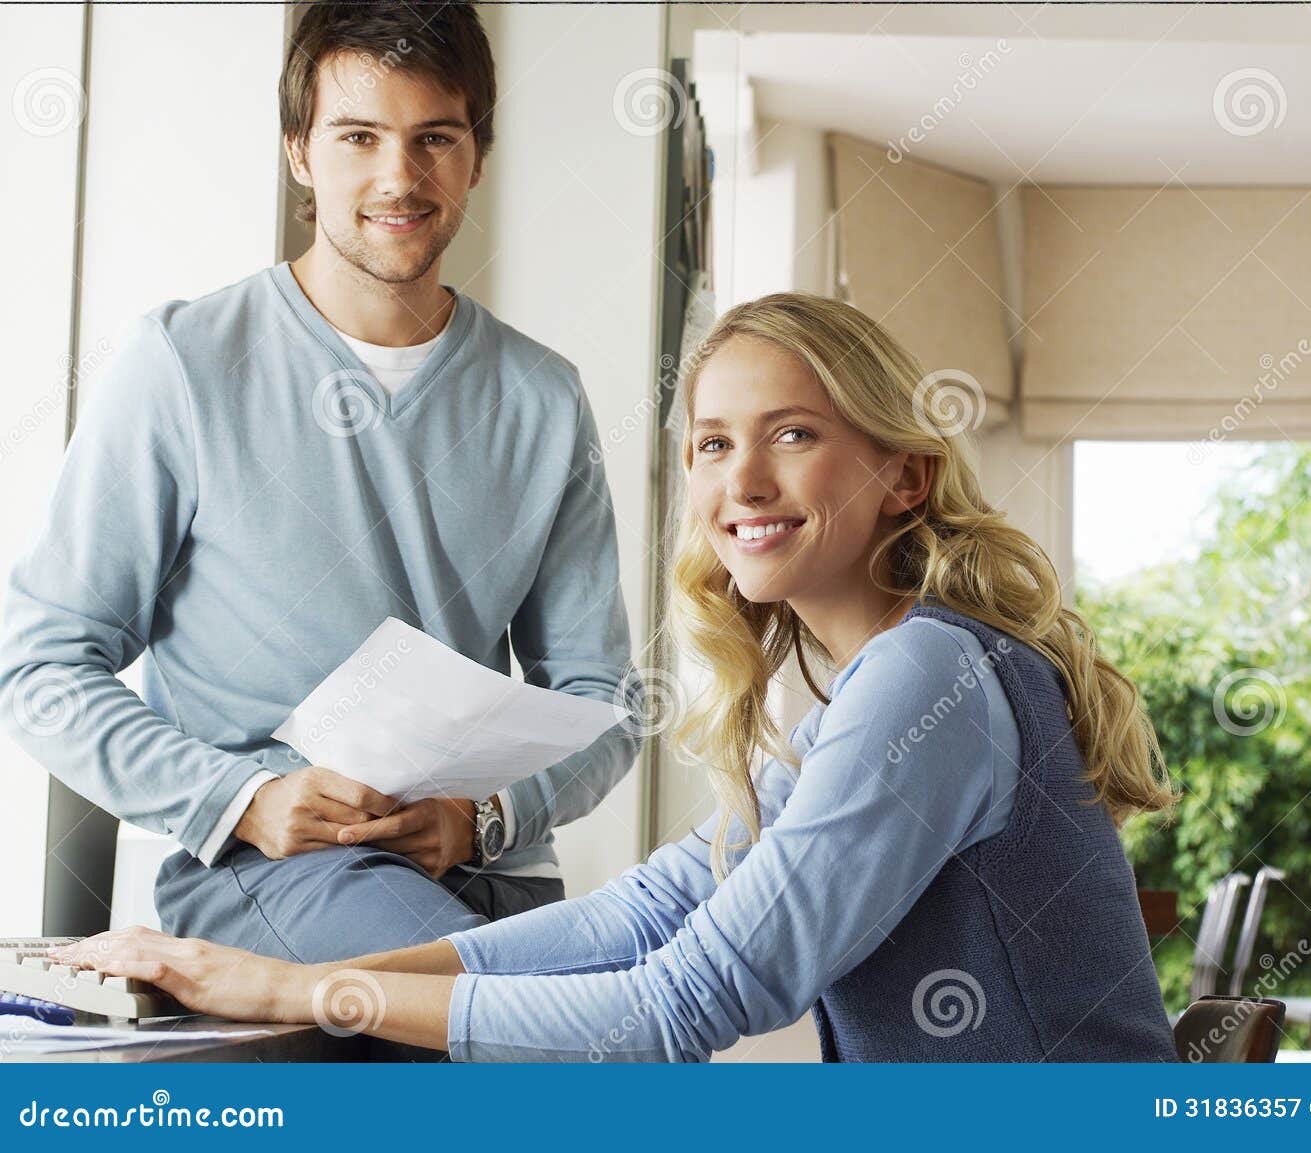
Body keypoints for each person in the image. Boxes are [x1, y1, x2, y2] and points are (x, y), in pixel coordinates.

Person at [50, 293, 1180, 1063]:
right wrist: (306, 976)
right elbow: (659, 907)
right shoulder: (874, 683)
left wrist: (291, 990)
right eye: (710, 442)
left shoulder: (921, 679)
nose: (742, 478)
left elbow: (682, 1002)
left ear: (903, 474)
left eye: (793, 434)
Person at [0, 1, 639, 961]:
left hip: (496, 864)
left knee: (653, 1023)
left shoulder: (544, 397)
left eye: (435, 138)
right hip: (282, 865)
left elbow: (603, 694)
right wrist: (243, 798)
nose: (399, 177)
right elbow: (39, 666)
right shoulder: (183, 362)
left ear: (477, 155)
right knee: (503, 1022)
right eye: (358, 136)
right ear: (300, 151)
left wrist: (489, 817)